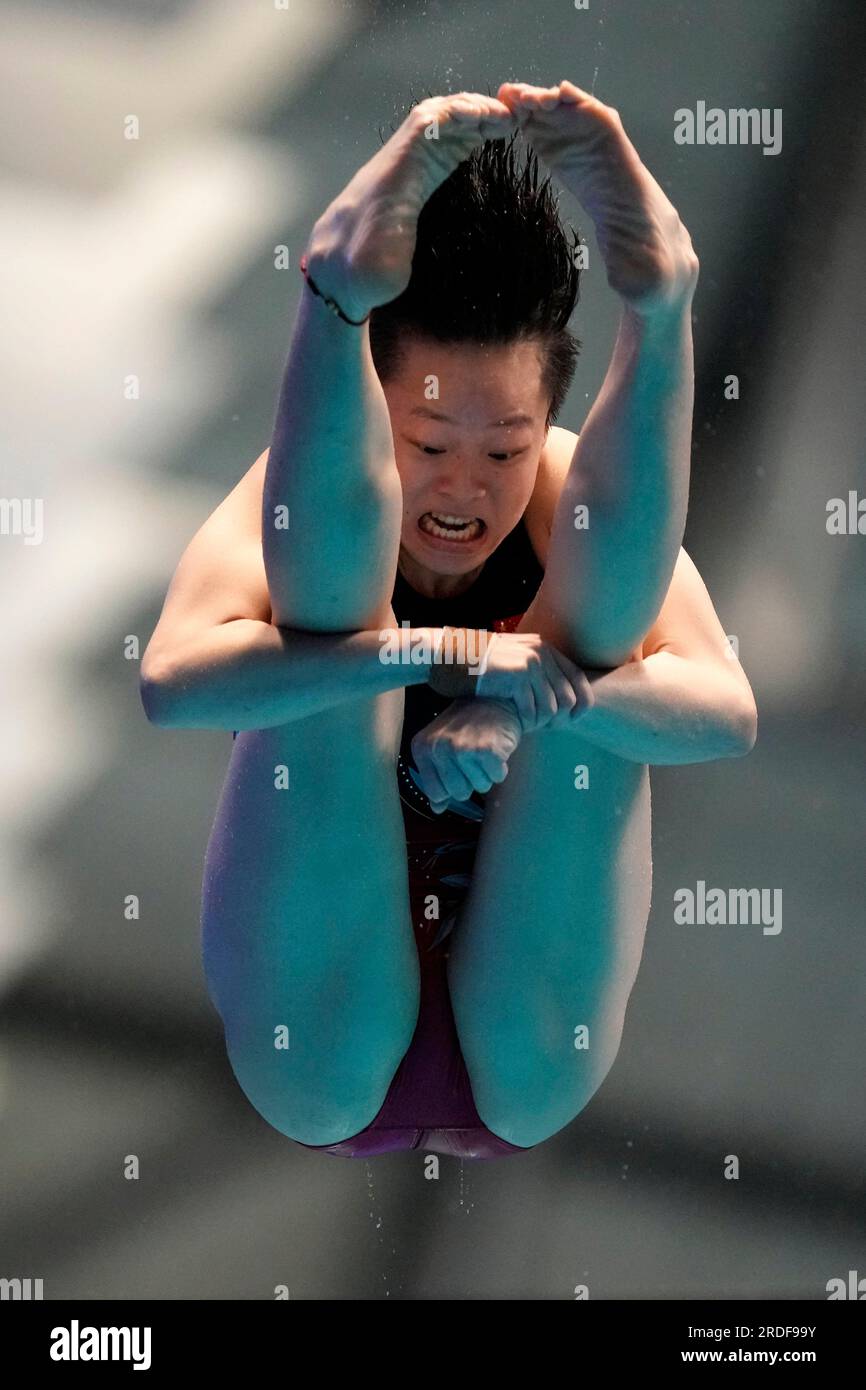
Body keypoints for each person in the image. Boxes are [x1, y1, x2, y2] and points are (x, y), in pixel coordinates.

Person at [140, 82, 757, 1159]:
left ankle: (661, 311)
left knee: (595, 653)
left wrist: (528, 703)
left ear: (550, 424)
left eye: (505, 449)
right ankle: (335, 298)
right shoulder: (288, 492)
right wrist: (427, 654)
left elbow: (722, 716)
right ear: (374, 413)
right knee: (330, 629)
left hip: (526, 1042)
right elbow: (175, 680)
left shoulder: (579, 497)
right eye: (427, 446)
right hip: (322, 1038)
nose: (464, 490)